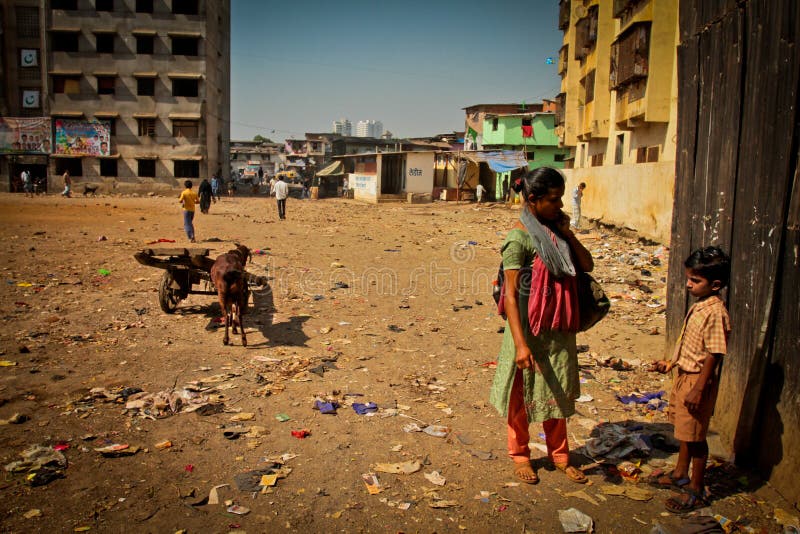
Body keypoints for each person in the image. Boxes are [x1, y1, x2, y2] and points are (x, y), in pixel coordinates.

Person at [489, 167, 594, 486]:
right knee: (521, 397)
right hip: (528, 332)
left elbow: (586, 266)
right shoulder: (518, 239)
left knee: (557, 392)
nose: (560, 205)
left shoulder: (558, 233)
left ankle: (559, 454)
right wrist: (520, 345)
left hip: (558, 329)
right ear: (533, 200)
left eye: (561, 198)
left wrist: (569, 233)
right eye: (554, 200)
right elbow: (510, 295)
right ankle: (520, 455)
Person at [650, 246, 730, 513]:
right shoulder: (700, 306)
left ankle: (696, 487)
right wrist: (670, 363)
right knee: (684, 432)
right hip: (685, 376)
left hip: (697, 381)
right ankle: (680, 473)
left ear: (715, 284)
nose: (688, 285)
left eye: (695, 281)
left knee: (696, 438)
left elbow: (714, 353)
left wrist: (699, 388)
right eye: (689, 278)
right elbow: (689, 344)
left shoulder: (716, 312)